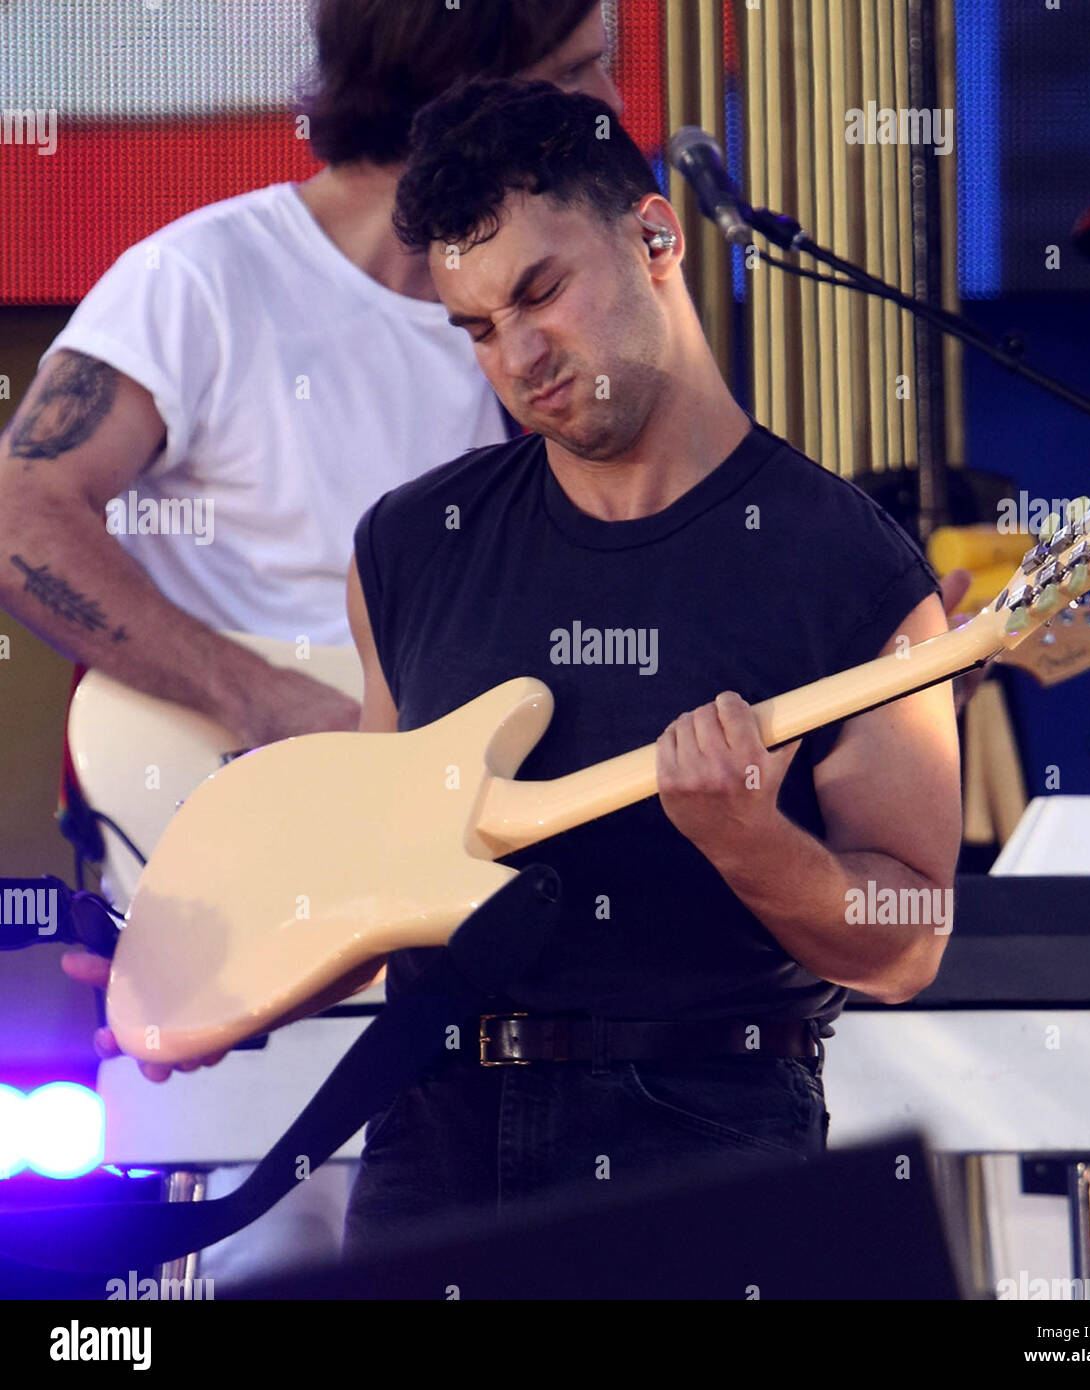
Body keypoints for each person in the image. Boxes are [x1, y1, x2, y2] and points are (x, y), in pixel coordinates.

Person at [341, 78, 963, 1255]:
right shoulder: (409, 547)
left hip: (703, 1126)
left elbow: (907, 938)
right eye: (474, 326)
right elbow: (382, 880)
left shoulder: (852, 569)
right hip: (433, 1131)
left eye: (540, 291)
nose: (517, 354)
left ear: (657, 235)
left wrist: (751, 842)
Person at [0, 0, 619, 1077]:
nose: (609, 107)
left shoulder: (553, 317)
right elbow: (21, 514)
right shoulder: (200, 279)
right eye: (576, 74)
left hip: (455, 922)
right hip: (238, 901)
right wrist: (261, 698)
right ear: (454, 90)